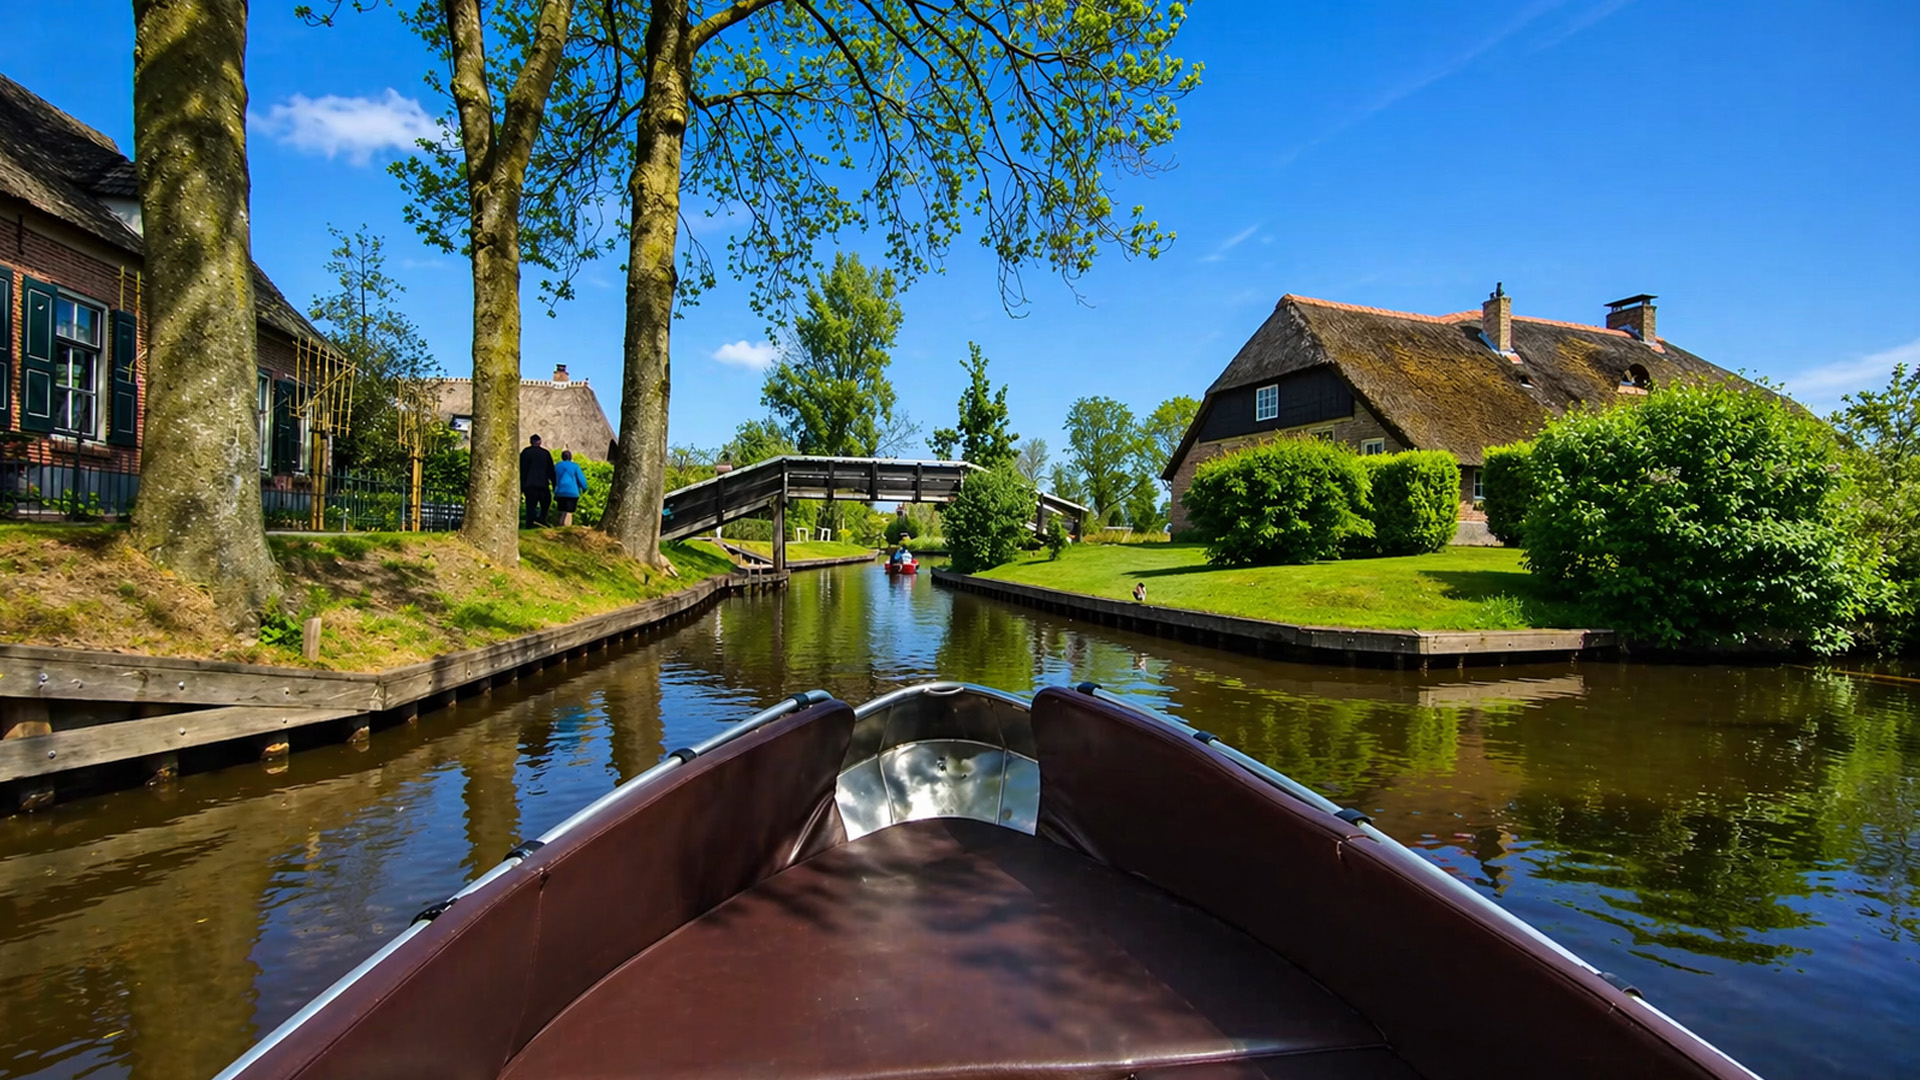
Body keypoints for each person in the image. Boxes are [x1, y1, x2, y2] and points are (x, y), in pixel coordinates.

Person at [520, 434, 556, 527]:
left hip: (529, 484)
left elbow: (522, 469)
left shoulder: (525, 453)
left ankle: (530, 522)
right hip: (542, 484)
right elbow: (550, 470)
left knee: (530, 505)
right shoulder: (545, 453)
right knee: (545, 503)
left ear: (530, 442)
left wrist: (521, 486)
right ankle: (542, 519)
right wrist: (554, 484)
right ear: (540, 442)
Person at [553, 449, 589, 526]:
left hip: (560, 492)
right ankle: (567, 529)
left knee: (562, 512)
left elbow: (553, 478)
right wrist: (584, 488)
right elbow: (581, 479)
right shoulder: (575, 466)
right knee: (569, 513)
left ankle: (561, 527)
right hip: (572, 492)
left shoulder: (557, 466)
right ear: (571, 457)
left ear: (562, 457)